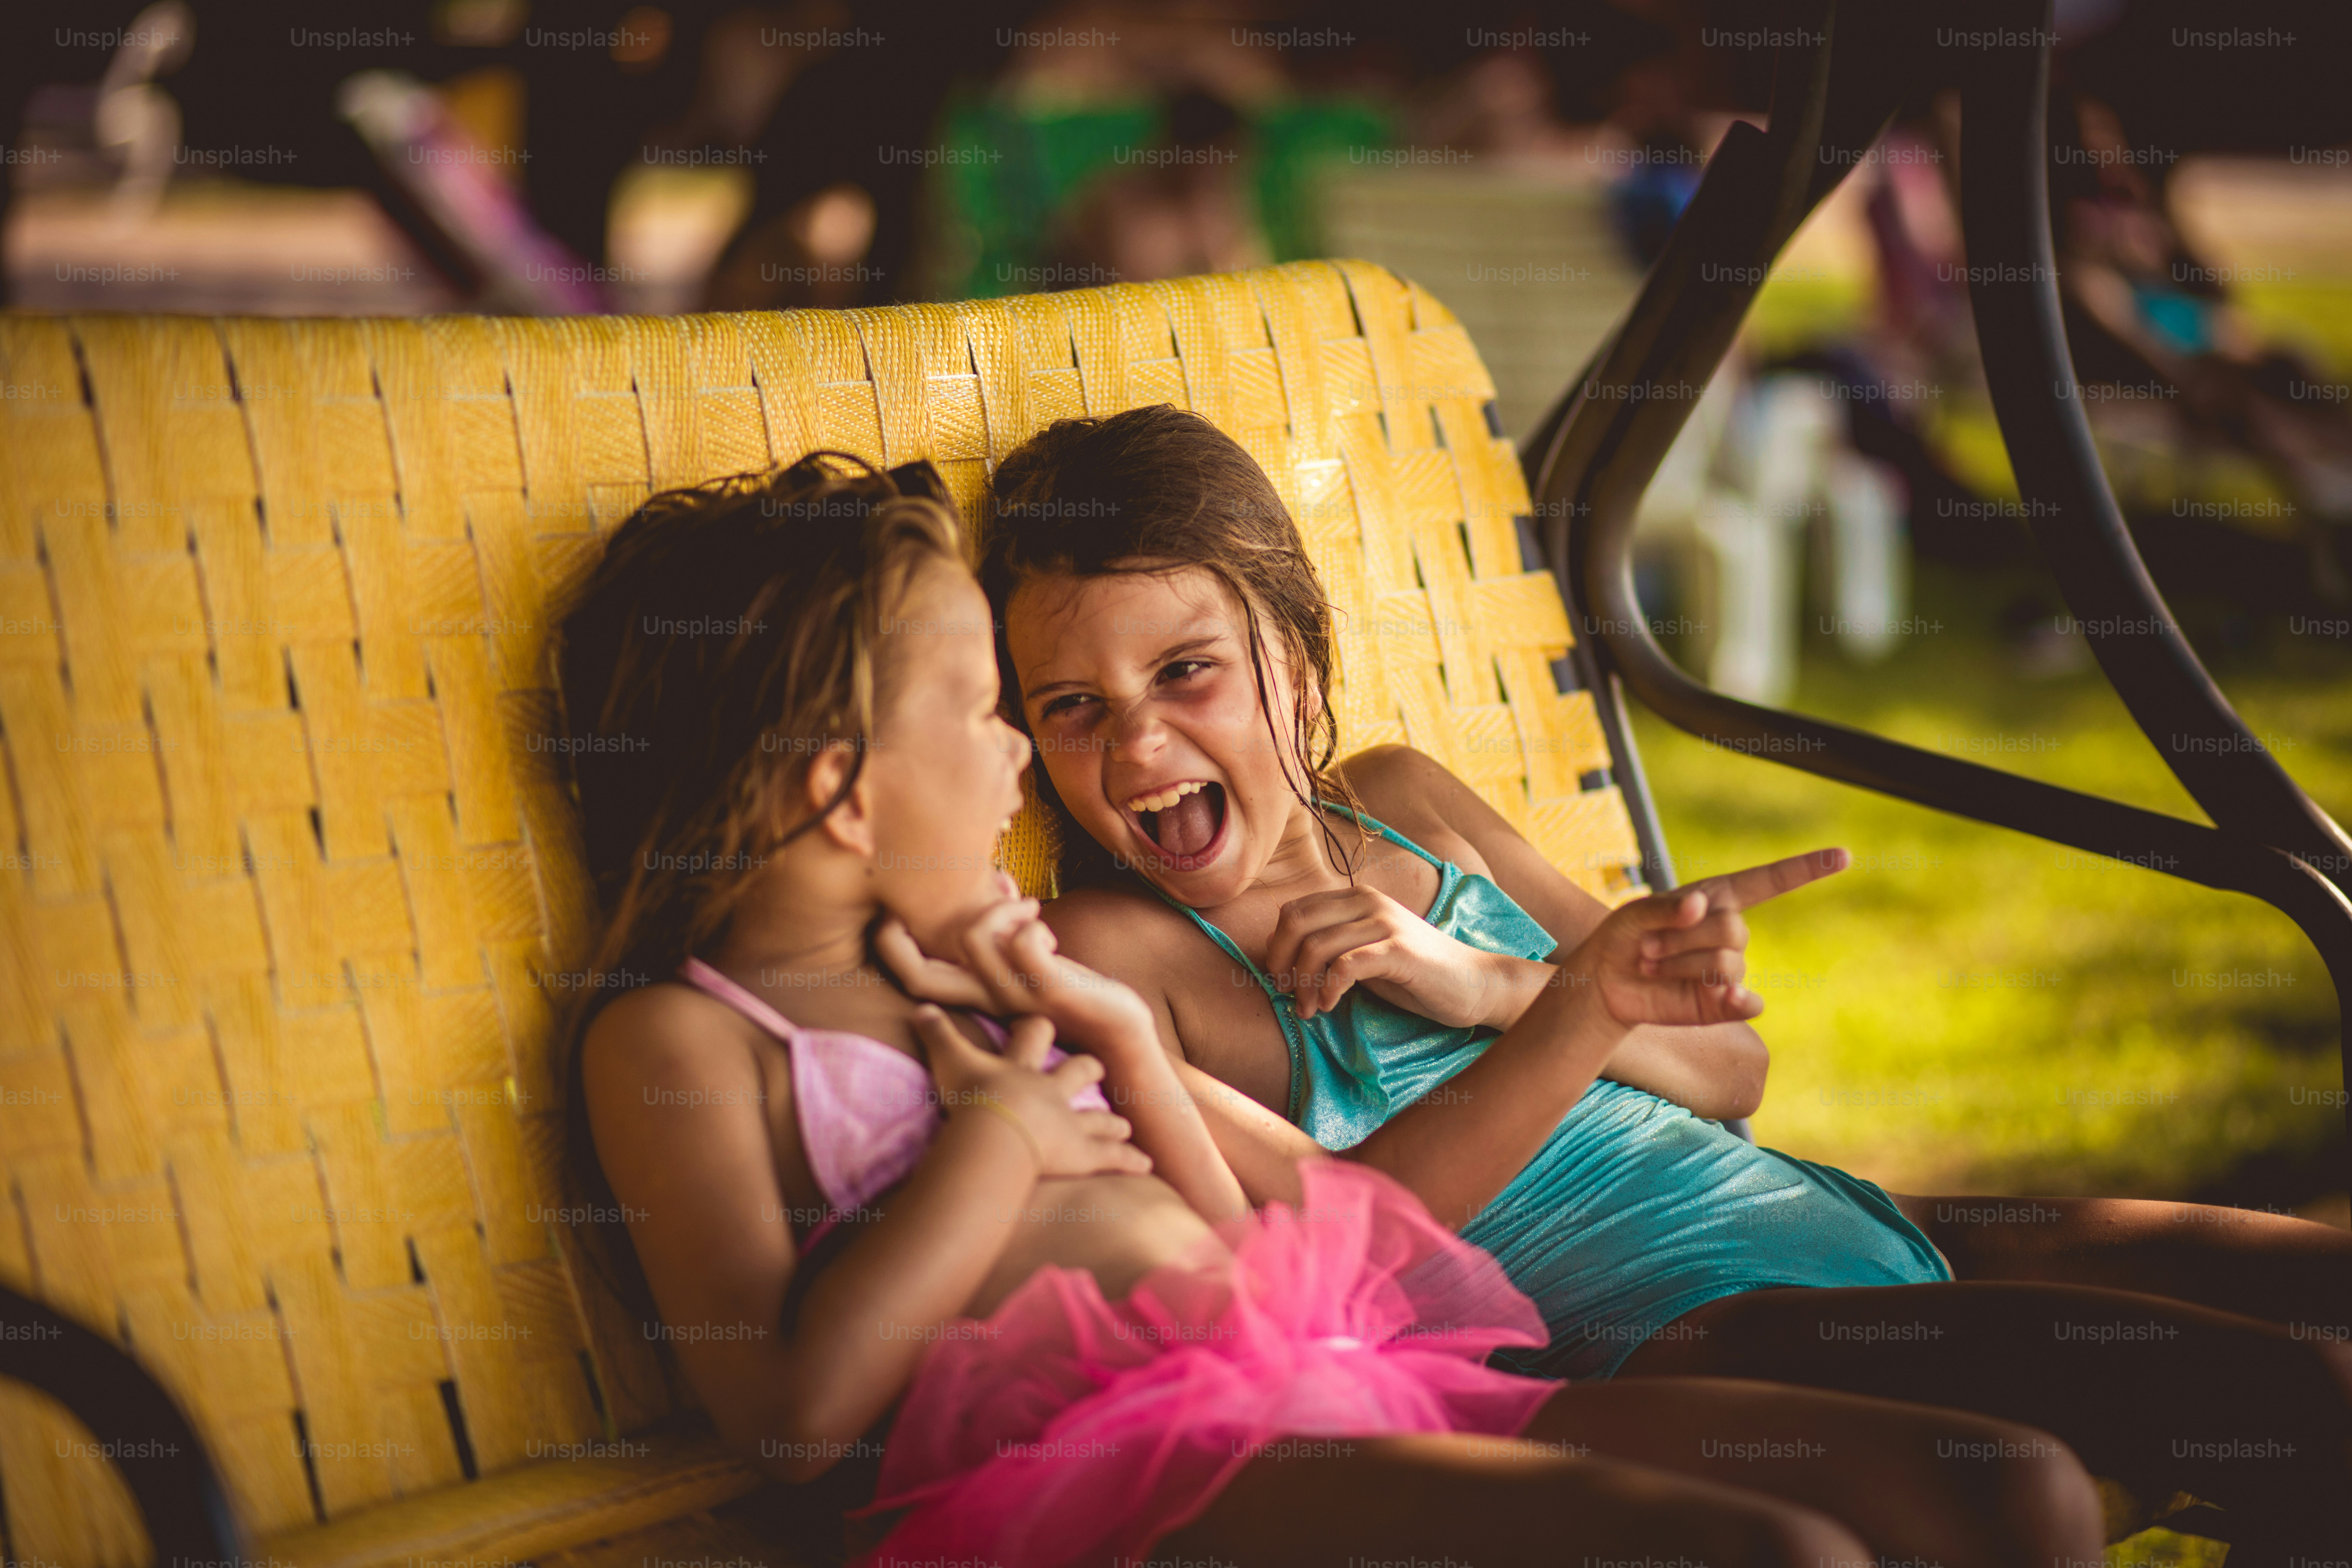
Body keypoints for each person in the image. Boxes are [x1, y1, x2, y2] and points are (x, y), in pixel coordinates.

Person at [549, 452, 2105, 1568]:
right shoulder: (682, 1042)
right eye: (989, 714)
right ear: (843, 793)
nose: (1020, 758)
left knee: (1991, 1489)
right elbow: (791, 1424)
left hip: (1330, 1373)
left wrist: (1121, 1052)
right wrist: (1002, 1140)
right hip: (1133, 1476)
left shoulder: (983, 973)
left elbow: (1311, 1232)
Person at [975, 403, 2352, 1555]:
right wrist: (1577, 1004)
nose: (1139, 747)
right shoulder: (1117, 955)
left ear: (1289, 655)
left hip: (1833, 1214)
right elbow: (1355, 1245)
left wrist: (1492, 985)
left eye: (1187, 671)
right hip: (1675, 1324)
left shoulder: (1403, 801)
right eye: (1072, 706)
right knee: (2281, 1392)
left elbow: (1730, 1071)